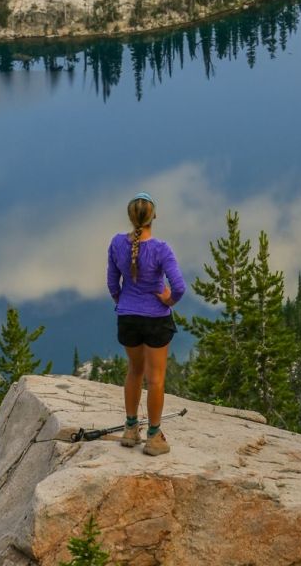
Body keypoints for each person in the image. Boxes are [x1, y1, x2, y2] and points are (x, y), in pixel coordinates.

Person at [107, 191, 186, 455]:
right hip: (156, 320)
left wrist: (124, 301)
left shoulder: (117, 244)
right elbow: (179, 287)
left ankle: (130, 429)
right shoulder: (161, 249)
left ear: (131, 218)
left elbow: (112, 283)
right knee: (156, 379)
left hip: (127, 317)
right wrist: (168, 300)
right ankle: (153, 436)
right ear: (154, 216)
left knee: (134, 372)